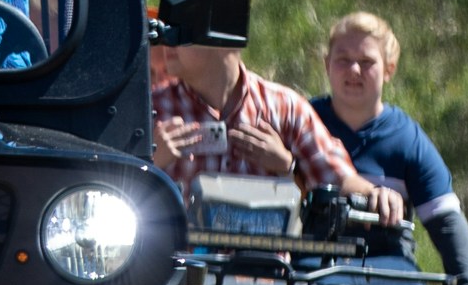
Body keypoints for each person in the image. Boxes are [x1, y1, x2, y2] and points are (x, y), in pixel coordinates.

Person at [311, 9, 468, 285]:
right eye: (343, 59)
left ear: (389, 70)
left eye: (366, 62)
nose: (354, 70)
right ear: (326, 64)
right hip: (309, 270)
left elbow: (446, 221)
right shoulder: (300, 122)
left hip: (388, 270)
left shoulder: (408, 140)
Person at [148, 29, 363, 213]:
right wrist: (148, 167)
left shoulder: (284, 107)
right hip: (180, 261)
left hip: (264, 261)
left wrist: (287, 167)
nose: (169, 39)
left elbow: (340, 181)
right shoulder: (150, 110)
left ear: (225, 38)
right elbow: (116, 195)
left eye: (185, 29)